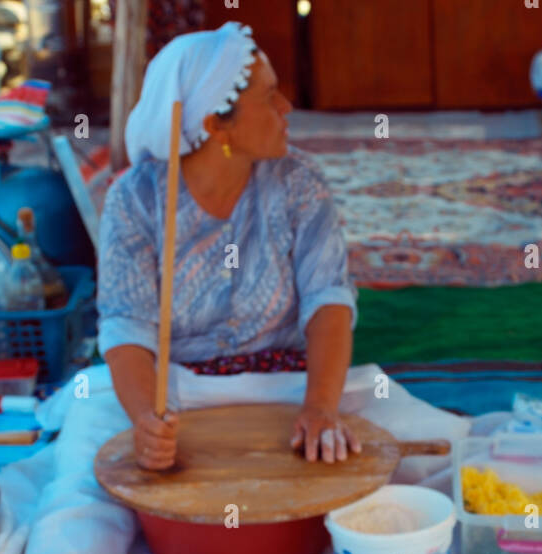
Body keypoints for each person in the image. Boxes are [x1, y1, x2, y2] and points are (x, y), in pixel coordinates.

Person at [98, 21, 360, 470]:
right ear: (217, 125)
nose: (287, 106)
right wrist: (146, 421)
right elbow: (128, 327)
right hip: (176, 391)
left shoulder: (299, 181)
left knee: (392, 453)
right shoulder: (136, 199)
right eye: (269, 96)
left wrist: (319, 408)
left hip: (286, 385)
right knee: (83, 489)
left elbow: (328, 299)